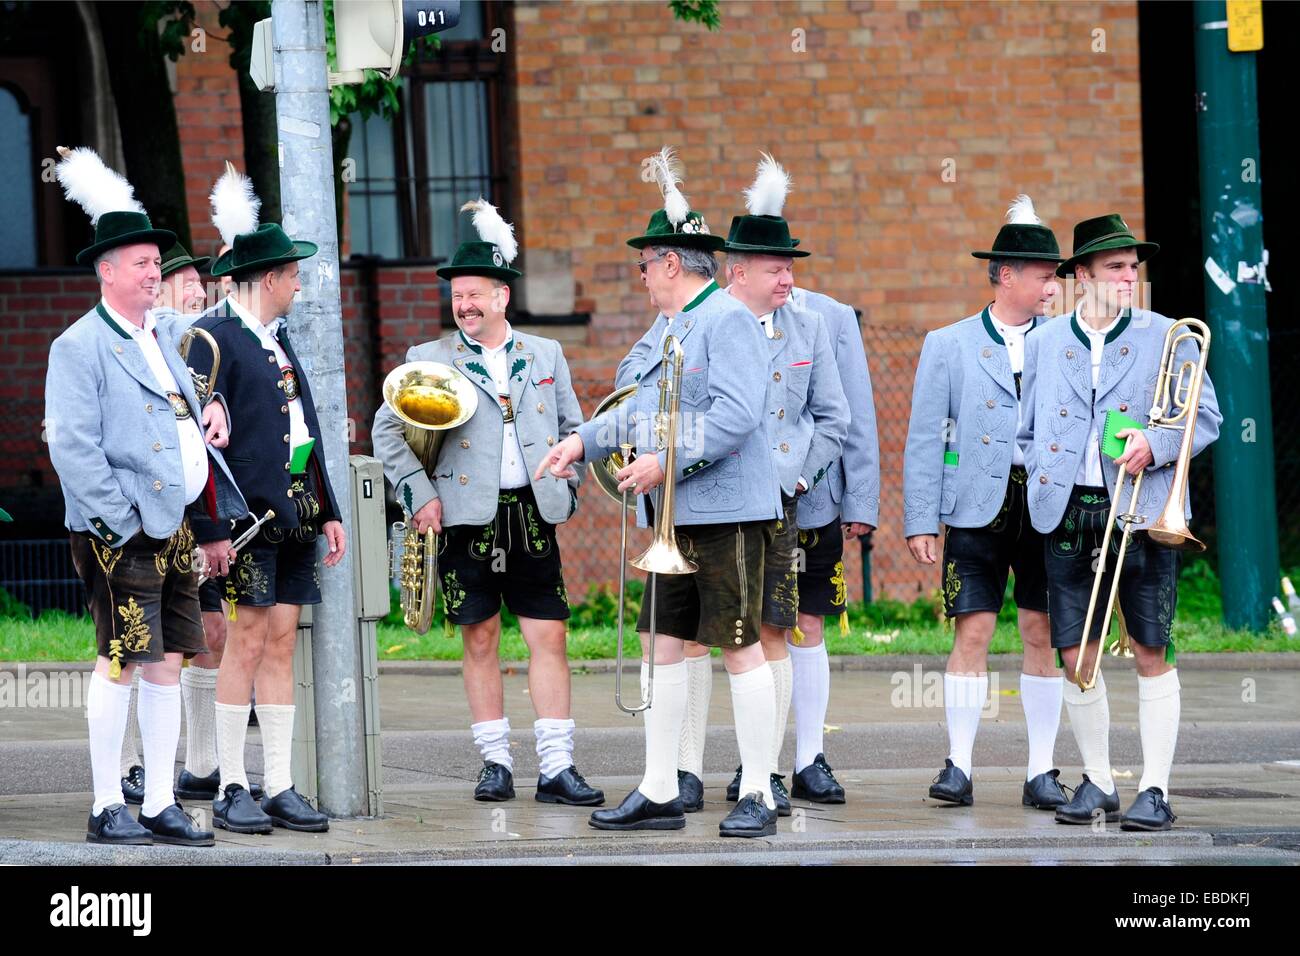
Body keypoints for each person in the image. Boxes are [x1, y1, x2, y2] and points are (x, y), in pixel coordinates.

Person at [539, 147, 784, 837]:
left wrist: (662, 462)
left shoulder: (727, 319)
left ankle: (761, 791)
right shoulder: (671, 326)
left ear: (671, 263)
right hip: (677, 515)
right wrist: (582, 440)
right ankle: (658, 788)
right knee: (664, 642)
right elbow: (638, 409)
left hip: (728, 512)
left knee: (738, 646)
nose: (642, 275)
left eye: (646, 263)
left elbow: (739, 414)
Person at [373, 198, 603, 806]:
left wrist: (569, 484)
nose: (465, 305)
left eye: (475, 294)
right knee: (479, 637)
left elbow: (572, 426)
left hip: (531, 511)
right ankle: (495, 763)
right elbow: (386, 432)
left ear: (503, 295)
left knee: (548, 636)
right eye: (457, 297)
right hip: (463, 516)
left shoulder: (545, 355)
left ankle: (556, 766)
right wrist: (419, 496)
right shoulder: (428, 359)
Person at [1019, 213, 1221, 830]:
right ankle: (1100, 780)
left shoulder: (1168, 336)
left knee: (1149, 645)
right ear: (1081, 275)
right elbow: (1027, 432)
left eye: (1133, 267)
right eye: (1115, 267)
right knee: (1075, 652)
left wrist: (1154, 446)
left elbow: (1206, 418)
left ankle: (1155, 788)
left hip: (1139, 507)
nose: (1129, 276)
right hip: (1068, 511)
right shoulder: (1045, 341)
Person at [903, 195, 1069, 809]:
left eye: (1055, 277)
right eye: (1044, 277)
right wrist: (921, 518)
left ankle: (1042, 770)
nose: (1054, 288)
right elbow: (926, 435)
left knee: (1040, 630)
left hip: (1047, 504)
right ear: (1006, 275)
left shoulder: (1067, 341)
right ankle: (959, 766)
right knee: (971, 630)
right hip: (974, 504)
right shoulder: (947, 343)